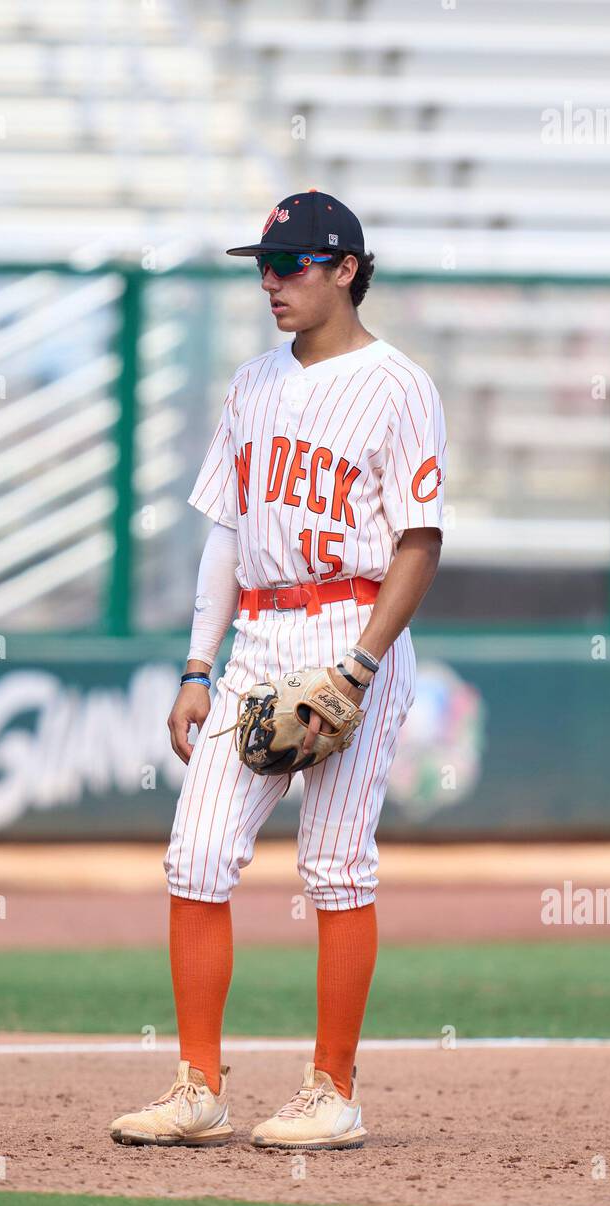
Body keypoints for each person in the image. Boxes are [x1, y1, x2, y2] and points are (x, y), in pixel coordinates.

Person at [111, 191, 445, 1150]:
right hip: (256, 632)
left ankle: (332, 1091)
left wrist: (359, 666)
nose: (272, 280)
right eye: (264, 263)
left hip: (353, 621)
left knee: (334, 866)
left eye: (293, 263)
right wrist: (195, 665)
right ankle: (197, 1087)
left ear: (346, 269)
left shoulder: (398, 385)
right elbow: (224, 534)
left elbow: (419, 544)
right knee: (196, 856)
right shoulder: (252, 382)